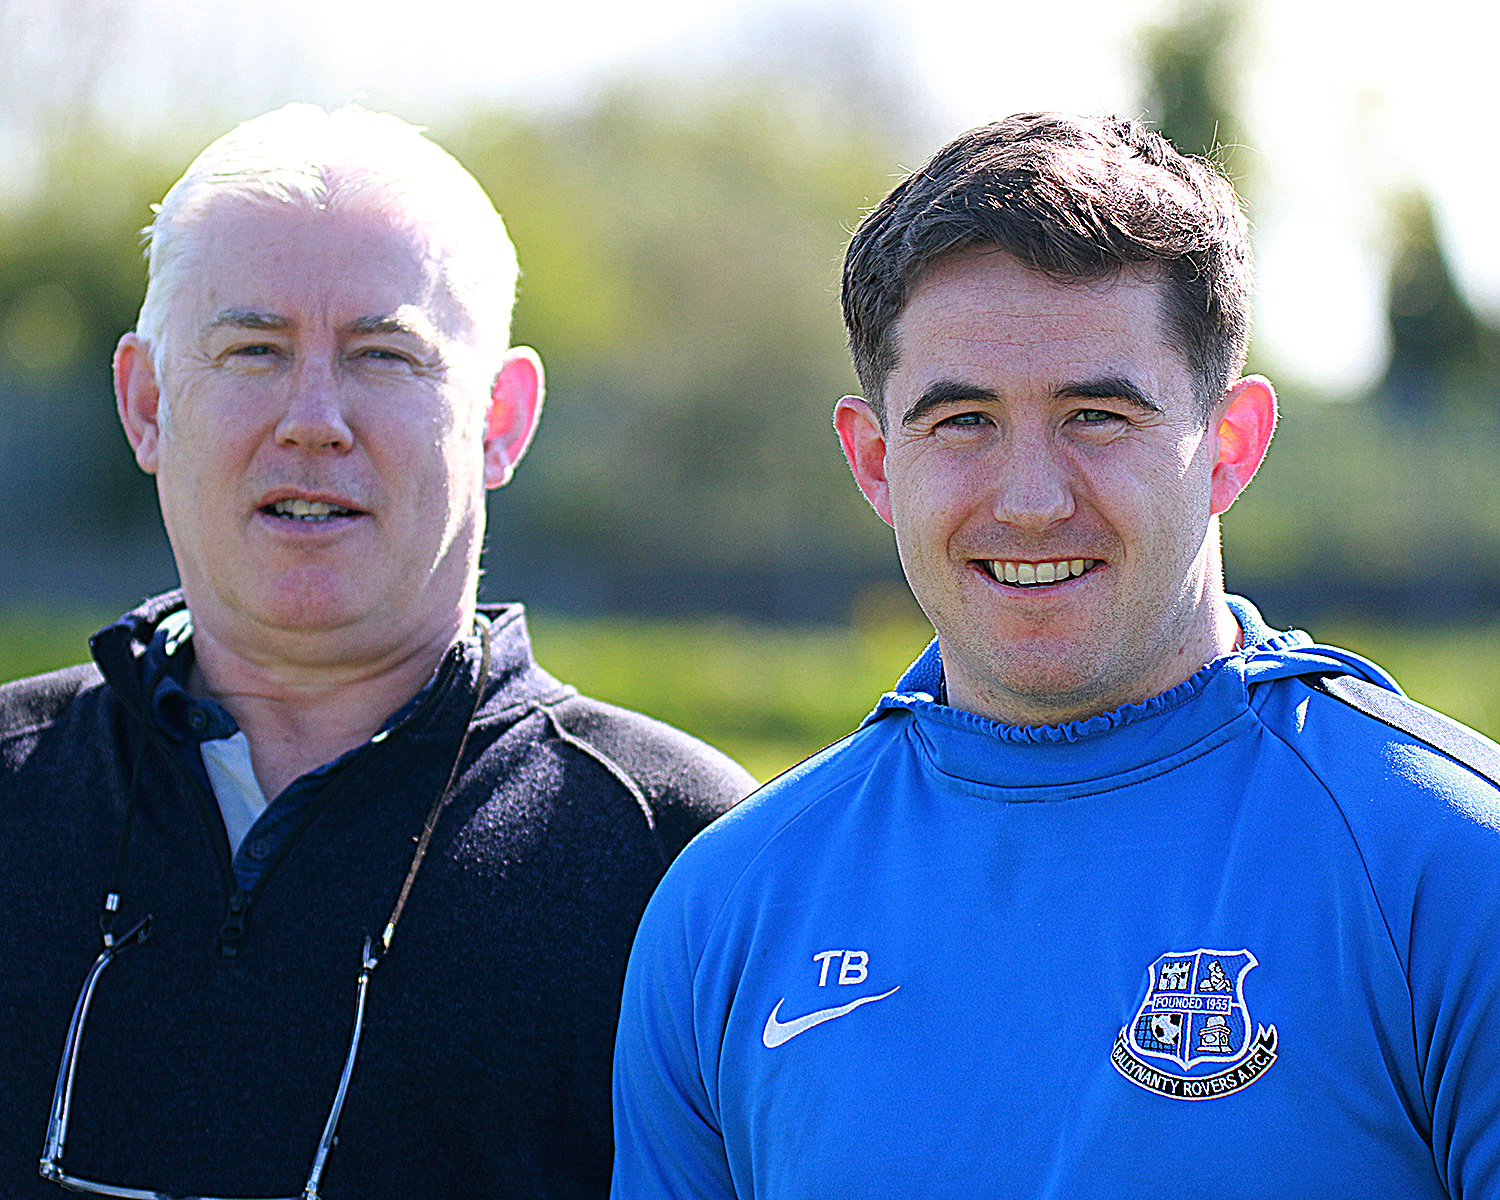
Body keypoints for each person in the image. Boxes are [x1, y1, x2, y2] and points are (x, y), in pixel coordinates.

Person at [610, 113, 1500, 1198]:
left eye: (1097, 415)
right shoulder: (727, 905)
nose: (1032, 501)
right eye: (963, 421)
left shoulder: (1452, 863)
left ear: (1230, 445)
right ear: (875, 460)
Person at [0, 103, 755, 1200]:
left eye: (384, 356)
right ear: (147, 402)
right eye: (253, 351)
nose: (313, 419)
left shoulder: (687, 858)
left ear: (500, 418)